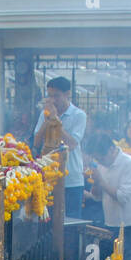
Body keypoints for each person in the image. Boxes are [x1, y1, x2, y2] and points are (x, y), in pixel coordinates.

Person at [83, 130, 131, 260]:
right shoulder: (100, 165)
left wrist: (101, 181)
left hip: (129, 224)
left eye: (101, 158)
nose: (100, 162)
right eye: (97, 159)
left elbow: (123, 197)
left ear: (112, 149)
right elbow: (98, 196)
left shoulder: (129, 164)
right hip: (110, 222)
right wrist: (95, 183)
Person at [33, 77, 87, 217]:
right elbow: (36, 142)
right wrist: (47, 120)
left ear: (67, 93)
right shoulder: (44, 114)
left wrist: (55, 120)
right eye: (49, 96)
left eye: (56, 96)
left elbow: (73, 143)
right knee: (48, 222)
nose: (52, 100)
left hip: (71, 179)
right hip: (49, 177)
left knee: (70, 223)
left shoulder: (79, 115)